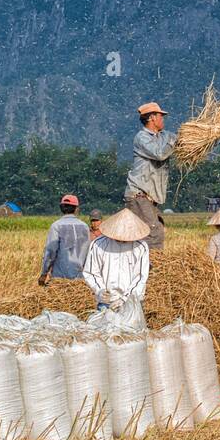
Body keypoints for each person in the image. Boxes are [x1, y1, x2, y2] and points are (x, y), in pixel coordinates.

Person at [125, 101, 175, 253]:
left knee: (156, 229)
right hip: (139, 195)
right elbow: (159, 154)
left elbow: (177, 138)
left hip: (149, 197)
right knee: (153, 232)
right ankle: (151, 268)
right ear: (152, 118)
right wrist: (174, 142)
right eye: (161, 116)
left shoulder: (164, 136)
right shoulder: (142, 138)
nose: (163, 120)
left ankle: (147, 265)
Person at [81, 208, 151, 313]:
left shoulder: (140, 247)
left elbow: (140, 277)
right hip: (106, 302)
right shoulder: (98, 245)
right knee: (104, 329)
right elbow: (91, 272)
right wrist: (100, 290)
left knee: (131, 329)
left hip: (132, 302)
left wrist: (125, 299)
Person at [38, 194, 91, 286]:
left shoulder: (56, 226)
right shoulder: (85, 227)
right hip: (80, 280)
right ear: (76, 209)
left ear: (61, 208)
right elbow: (88, 253)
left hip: (60, 279)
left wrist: (44, 273)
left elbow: (50, 252)